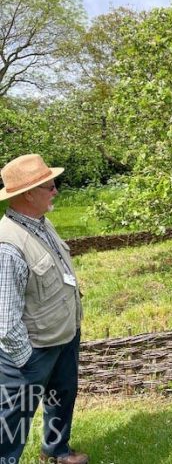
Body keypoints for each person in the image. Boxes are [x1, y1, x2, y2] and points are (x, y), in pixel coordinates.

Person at [0, 155, 87, 464]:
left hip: (63, 336)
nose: (56, 191)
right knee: (13, 418)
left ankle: (56, 452)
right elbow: (6, 319)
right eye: (50, 186)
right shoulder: (8, 245)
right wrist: (26, 362)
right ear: (28, 194)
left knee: (61, 398)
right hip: (33, 350)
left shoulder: (41, 223)